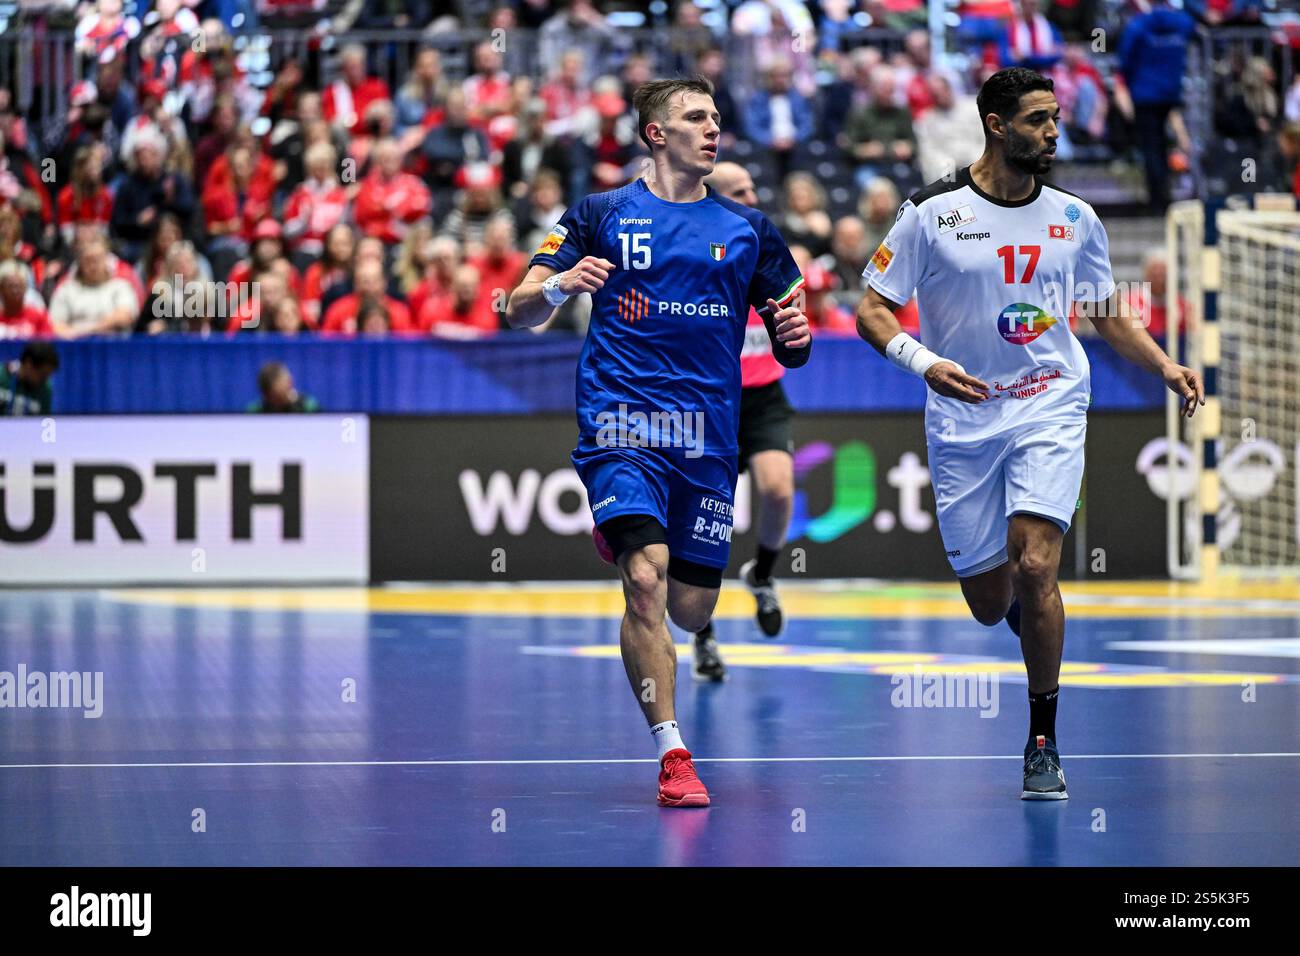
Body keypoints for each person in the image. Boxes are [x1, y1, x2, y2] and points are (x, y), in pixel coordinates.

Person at [854, 67, 1203, 801]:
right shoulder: (930, 213)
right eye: (1040, 119)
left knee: (1040, 566)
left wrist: (1167, 364)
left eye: (1056, 118)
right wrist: (925, 362)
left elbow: (1105, 311)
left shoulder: (1076, 218)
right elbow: (872, 310)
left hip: (1049, 404)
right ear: (995, 124)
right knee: (989, 602)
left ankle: (1042, 740)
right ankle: (1022, 613)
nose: (1054, 132)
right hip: (962, 418)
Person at [505, 76, 811, 807]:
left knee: (691, 609)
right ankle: (673, 755)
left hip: (707, 436)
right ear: (655, 133)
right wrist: (556, 286)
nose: (713, 130)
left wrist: (795, 340)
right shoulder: (599, 214)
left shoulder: (748, 230)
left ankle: (644, 542)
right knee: (643, 581)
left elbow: (791, 338)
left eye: (716, 117)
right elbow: (515, 308)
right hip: (621, 423)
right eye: (697, 118)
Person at [686, 161, 803, 681]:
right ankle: (703, 638)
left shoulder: (766, 246)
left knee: (778, 490)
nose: (751, 196)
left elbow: (797, 326)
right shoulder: (697, 253)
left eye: (754, 188)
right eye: (739, 191)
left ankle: (762, 575)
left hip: (762, 397)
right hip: (709, 403)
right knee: (704, 526)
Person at [0, 341, 59, 415]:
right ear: (29, 364)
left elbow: (42, 422)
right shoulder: (2, 376)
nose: (45, 380)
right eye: (43, 375)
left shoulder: (45, 389)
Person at [247, 361, 319, 413]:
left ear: (290, 383)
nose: (277, 403)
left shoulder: (308, 407)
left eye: (280, 398)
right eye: (273, 398)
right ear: (266, 395)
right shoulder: (254, 411)